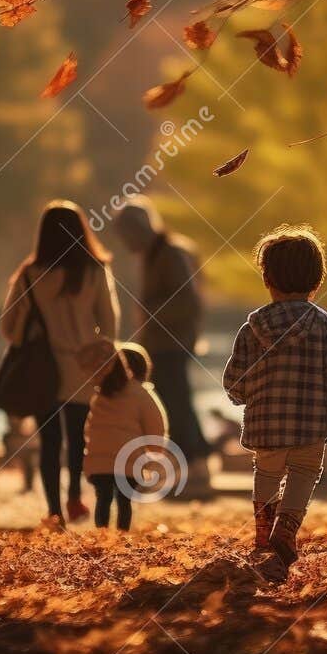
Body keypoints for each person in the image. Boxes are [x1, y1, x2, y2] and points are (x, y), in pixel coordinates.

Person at [222, 225, 327, 582]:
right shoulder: (323, 324)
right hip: (311, 422)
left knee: (267, 473)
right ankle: (287, 527)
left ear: (267, 279)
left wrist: (241, 396)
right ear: (317, 280)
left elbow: (234, 378)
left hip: (266, 423)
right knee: (304, 473)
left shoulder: (252, 328)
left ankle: (264, 530)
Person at [0, 200, 120, 525]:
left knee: (50, 441)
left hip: (42, 369)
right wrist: (97, 351)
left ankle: (53, 511)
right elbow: (109, 325)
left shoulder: (29, 274)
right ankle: (75, 498)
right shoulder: (95, 270)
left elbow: (9, 328)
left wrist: (34, 333)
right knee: (79, 437)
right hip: (83, 368)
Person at [114, 197, 213, 497]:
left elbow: (189, 302)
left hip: (172, 343)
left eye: (126, 235)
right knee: (176, 401)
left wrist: (150, 311)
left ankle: (194, 467)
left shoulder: (170, 253)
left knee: (175, 403)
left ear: (138, 229)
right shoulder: (156, 253)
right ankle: (195, 465)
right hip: (162, 342)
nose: (125, 243)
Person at [83, 343, 168, 531]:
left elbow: (90, 427)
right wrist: (155, 451)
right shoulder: (141, 394)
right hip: (128, 461)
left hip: (99, 461)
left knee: (103, 498)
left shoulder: (101, 394)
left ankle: (101, 535)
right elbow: (155, 426)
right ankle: (122, 536)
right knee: (124, 500)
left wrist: (92, 451)